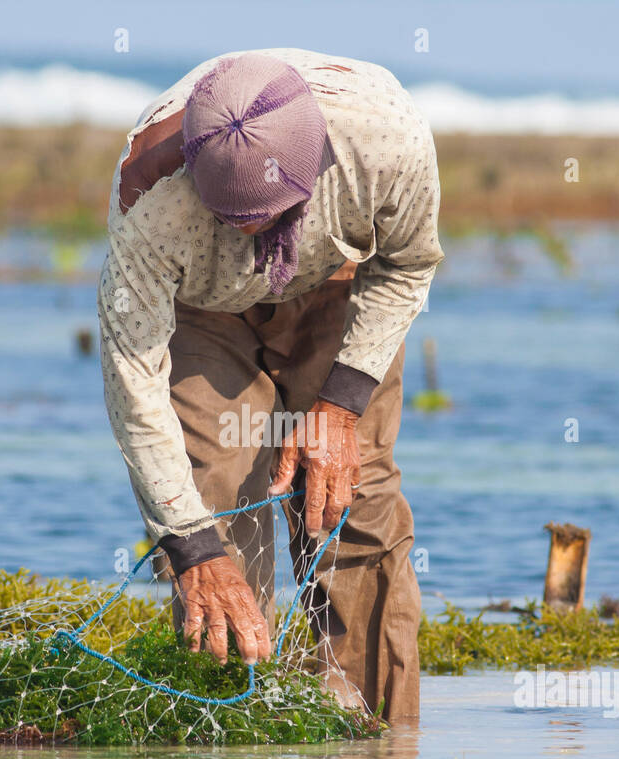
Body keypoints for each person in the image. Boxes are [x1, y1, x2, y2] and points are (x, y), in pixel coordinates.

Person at [97, 48, 443, 721]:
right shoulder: (147, 195)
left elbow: (408, 265)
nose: (253, 231)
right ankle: (227, 753)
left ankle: (375, 758)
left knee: (351, 506)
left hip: (339, 280)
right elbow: (134, 380)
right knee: (216, 500)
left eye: (268, 215)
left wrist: (340, 407)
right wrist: (193, 546)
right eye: (235, 218)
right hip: (202, 309)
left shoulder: (388, 138)